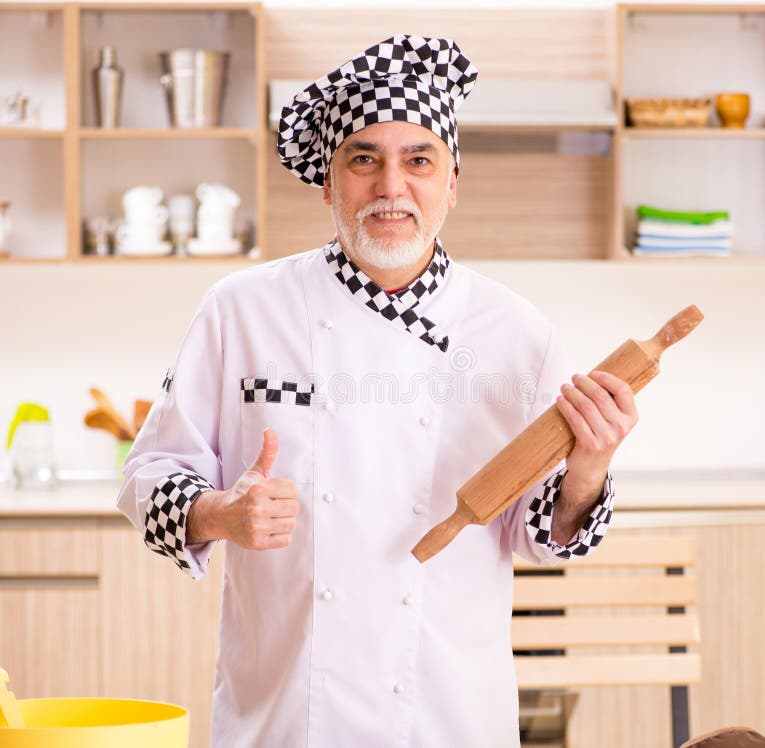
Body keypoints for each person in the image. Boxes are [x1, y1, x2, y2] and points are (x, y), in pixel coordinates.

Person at [117, 34, 638, 748]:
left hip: (449, 715)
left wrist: (586, 473)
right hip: (286, 716)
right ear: (329, 183)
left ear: (451, 183)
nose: (391, 185)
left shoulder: (518, 334)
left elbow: (543, 539)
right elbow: (145, 482)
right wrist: (216, 512)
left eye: (418, 160)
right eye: (364, 159)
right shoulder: (242, 310)